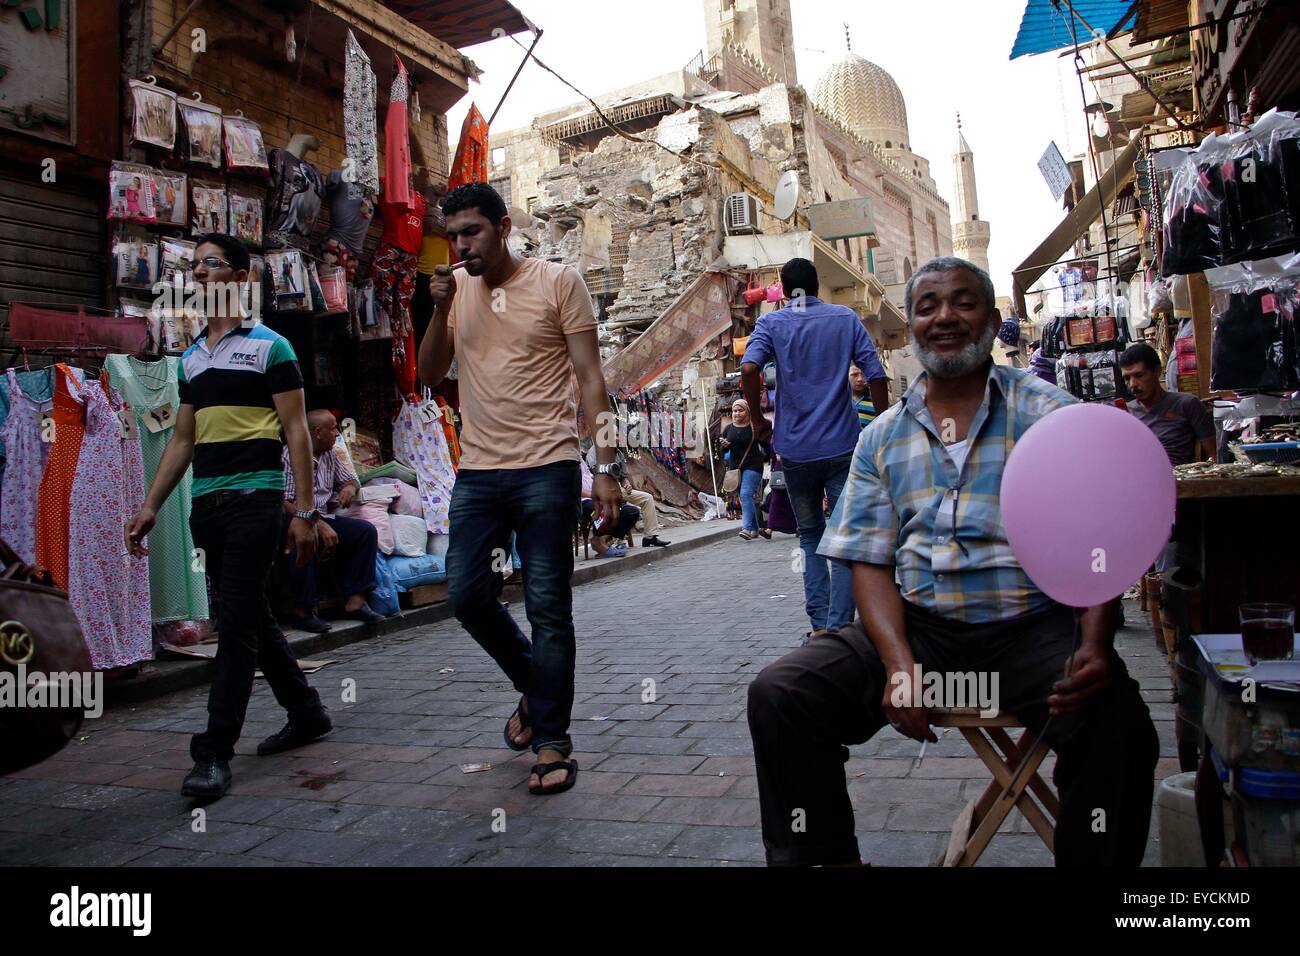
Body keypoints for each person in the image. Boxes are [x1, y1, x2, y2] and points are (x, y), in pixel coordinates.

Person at [746, 256, 1160, 867]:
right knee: (781, 696)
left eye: (964, 303)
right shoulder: (880, 437)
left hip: (1031, 634)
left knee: (1119, 723)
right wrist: (898, 665)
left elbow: (1098, 533)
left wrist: (1096, 640)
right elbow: (869, 560)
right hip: (920, 634)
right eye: (927, 306)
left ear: (992, 320)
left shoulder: (1051, 415)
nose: (945, 318)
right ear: (911, 327)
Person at [417, 182, 621, 796]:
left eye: (471, 232)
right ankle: (536, 688)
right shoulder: (456, 292)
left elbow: (591, 380)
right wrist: (436, 308)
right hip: (477, 473)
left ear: (503, 228)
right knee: (465, 596)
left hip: (548, 468)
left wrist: (605, 465)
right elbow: (429, 375)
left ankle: (553, 741)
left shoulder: (558, 283)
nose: (461, 246)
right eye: (453, 236)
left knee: (548, 607)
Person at [124, 233, 331, 800]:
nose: (201, 274)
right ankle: (307, 711)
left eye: (212, 264)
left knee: (234, 627)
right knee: (250, 616)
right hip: (206, 506)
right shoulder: (190, 357)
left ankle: (214, 752)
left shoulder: (271, 348)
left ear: (241, 276)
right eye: (196, 267)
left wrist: (307, 511)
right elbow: (183, 440)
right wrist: (149, 505)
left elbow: (297, 434)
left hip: (255, 501)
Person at [740, 257, 890, 642]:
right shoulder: (844, 319)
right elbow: (875, 373)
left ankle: (820, 625)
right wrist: (885, 426)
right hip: (842, 446)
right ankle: (841, 626)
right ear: (818, 286)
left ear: (785, 291)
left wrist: (758, 419)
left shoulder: (771, 323)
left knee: (810, 536)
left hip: (795, 450)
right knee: (842, 538)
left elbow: (748, 369)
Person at [279, 409, 384, 633]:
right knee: (303, 538)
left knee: (365, 532)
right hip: (295, 519)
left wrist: (348, 489)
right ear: (317, 432)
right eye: (333, 428)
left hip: (323, 517)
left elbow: (350, 480)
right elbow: (285, 501)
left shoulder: (330, 455)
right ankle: (303, 610)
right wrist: (315, 522)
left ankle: (356, 600)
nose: (337, 433)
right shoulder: (289, 456)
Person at [1119, 342, 1216, 468]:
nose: (1132, 384)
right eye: (1127, 378)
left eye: (1139, 375)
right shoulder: (1125, 412)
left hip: (1177, 479)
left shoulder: (1187, 404)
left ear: (1157, 371)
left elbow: (1214, 456)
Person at [720, 398, 770, 540]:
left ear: (747, 411)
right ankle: (755, 528)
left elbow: (766, 445)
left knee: (746, 494)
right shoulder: (728, 429)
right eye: (735, 411)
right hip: (737, 469)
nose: (736, 413)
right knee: (746, 497)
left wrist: (772, 459)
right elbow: (723, 451)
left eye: (740, 410)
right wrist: (724, 446)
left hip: (754, 466)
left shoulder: (753, 427)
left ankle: (746, 528)